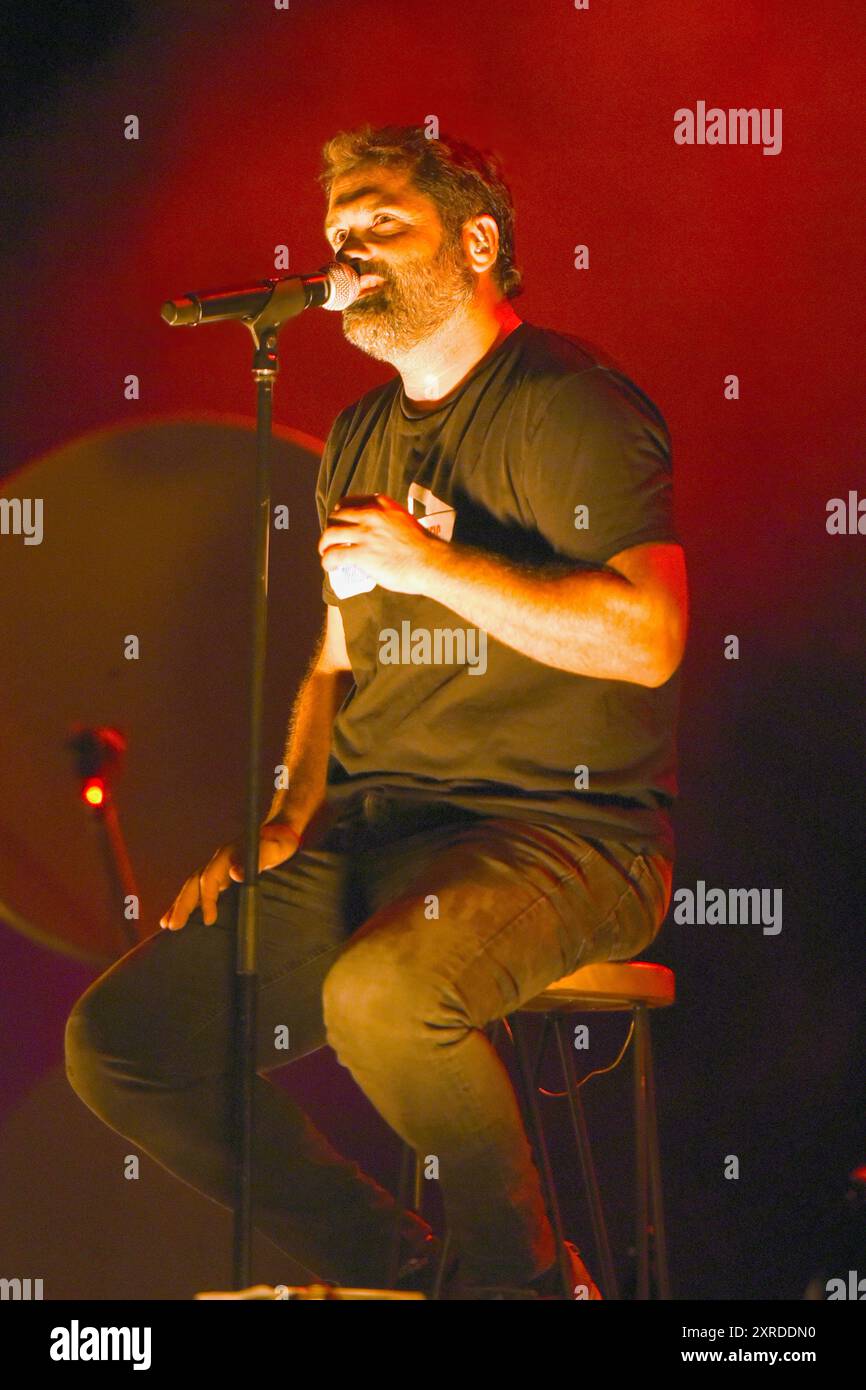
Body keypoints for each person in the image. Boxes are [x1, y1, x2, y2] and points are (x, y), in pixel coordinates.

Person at [65, 123, 688, 1300]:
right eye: (336, 229)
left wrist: (434, 563)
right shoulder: (355, 432)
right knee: (123, 1042)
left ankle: (526, 1289)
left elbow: (646, 639)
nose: (345, 248)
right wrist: (290, 818)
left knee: (381, 992)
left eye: (379, 222)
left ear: (477, 241)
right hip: (373, 835)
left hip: (563, 837)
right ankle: (415, 1271)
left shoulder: (573, 403)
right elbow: (332, 659)